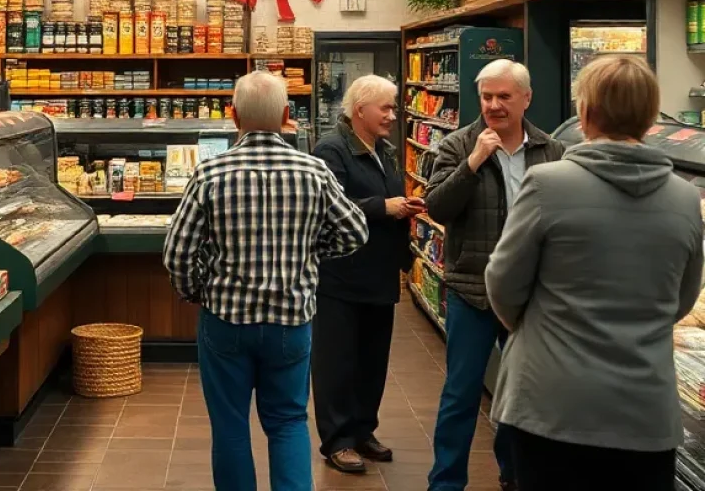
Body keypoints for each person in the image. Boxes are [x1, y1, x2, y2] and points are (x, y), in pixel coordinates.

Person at [486, 55, 703, 491]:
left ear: (584, 114)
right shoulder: (684, 198)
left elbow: (503, 283)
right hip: (645, 413)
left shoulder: (548, 183)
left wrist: (539, 330)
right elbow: (683, 297)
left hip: (553, 407)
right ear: (648, 119)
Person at [163, 70, 370, 491]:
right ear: (286, 115)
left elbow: (177, 252)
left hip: (226, 322)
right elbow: (356, 231)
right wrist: (311, 253)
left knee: (231, 426)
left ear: (233, 115)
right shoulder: (314, 171)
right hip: (291, 322)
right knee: (289, 421)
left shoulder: (210, 174)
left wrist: (195, 290)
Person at [424, 59, 564, 491]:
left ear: (526, 98)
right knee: (460, 393)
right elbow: (437, 207)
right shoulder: (457, 144)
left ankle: (514, 474)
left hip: (528, 297)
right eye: (487, 97)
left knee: (523, 396)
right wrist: (473, 162)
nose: (494, 105)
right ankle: (446, 483)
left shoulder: (550, 151)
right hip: (473, 289)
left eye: (504, 96)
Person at [311, 74, 422, 474]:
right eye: (386, 108)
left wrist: (401, 207)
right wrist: (384, 207)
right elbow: (329, 207)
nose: (392, 115)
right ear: (360, 110)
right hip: (342, 276)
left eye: (393, 107)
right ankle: (337, 440)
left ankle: (362, 430)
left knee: (372, 361)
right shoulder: (332, 149)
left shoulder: (383, 150)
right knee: (337, 362)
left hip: (378, 274)